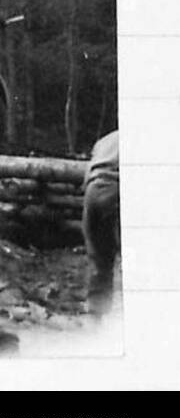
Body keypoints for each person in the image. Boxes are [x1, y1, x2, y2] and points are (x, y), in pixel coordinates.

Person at [82, 130, 120, 316]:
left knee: (99, 258)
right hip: (115, 191)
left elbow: (88, 172)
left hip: (92, 191)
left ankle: (96, 313)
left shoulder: (105, 140)